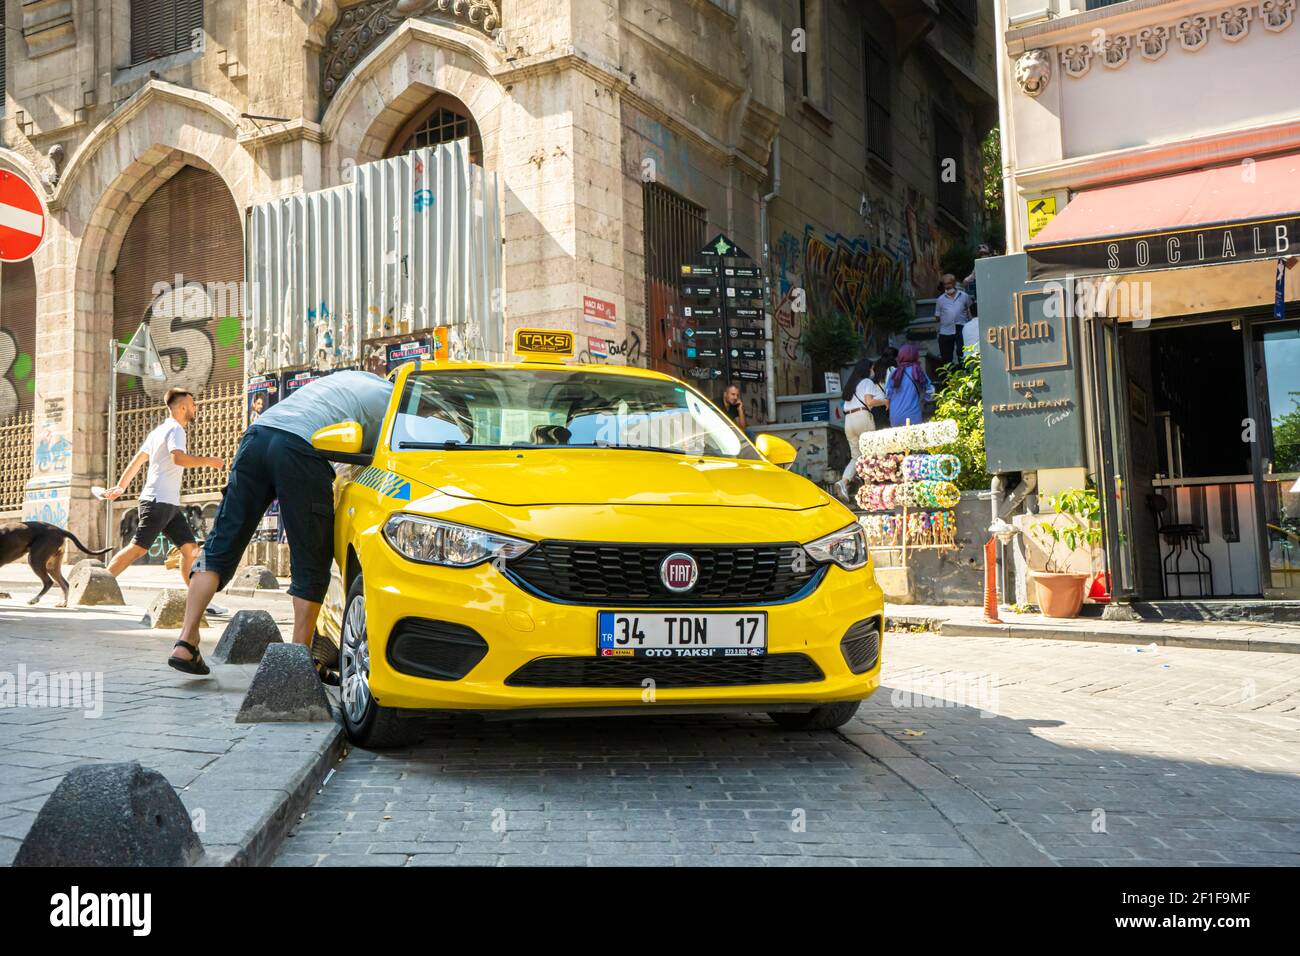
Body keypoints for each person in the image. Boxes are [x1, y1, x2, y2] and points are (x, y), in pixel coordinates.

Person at [168, 370, 395, 676]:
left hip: (257, 437)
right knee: (310, 556)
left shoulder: (350, 379)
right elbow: (366, 464)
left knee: (222, 542)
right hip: (300, 450)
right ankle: (298, 662)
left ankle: (186, 640)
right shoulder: (391, 403)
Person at [103, 388, 224, 586]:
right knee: (138, 549)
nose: (195, 408)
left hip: (167, 504)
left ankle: (194, 594)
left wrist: (120, 486)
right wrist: (209, 461)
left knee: (190, 549)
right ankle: (99, 582)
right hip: (158, 502)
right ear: (183, 407)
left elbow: (137, 461)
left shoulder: (158, 431)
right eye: (193, 405)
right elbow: (178, 458)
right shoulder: (176, 430)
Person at [834, 359, 887, 503]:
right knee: (872, 453)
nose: (873, 372)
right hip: (863, 418)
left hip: (849, 421)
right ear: (868, 369)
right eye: (872, 369)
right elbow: (869, 402)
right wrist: (885, 402)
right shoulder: (867, 382)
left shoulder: (851, 385)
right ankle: (871, 489)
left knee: (856, 456)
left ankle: (843, 483)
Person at [885, 344, 934, 428]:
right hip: (913, 414)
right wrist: (924, 400)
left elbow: (887, 394)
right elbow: (930, 390)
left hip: (895, 416)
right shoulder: (918, 371)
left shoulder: (894, 373)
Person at [934, 273, 973, 369]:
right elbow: (937, 316)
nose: (947, 286)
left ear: (954, 283)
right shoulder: (940, 300)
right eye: (945, 284)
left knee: (962, 353)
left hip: (962, 328)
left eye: (949, 283)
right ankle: (950, 379)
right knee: (946, 357)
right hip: (946, 331)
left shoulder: (964, 296)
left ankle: (965, 373)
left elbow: (970, 310)